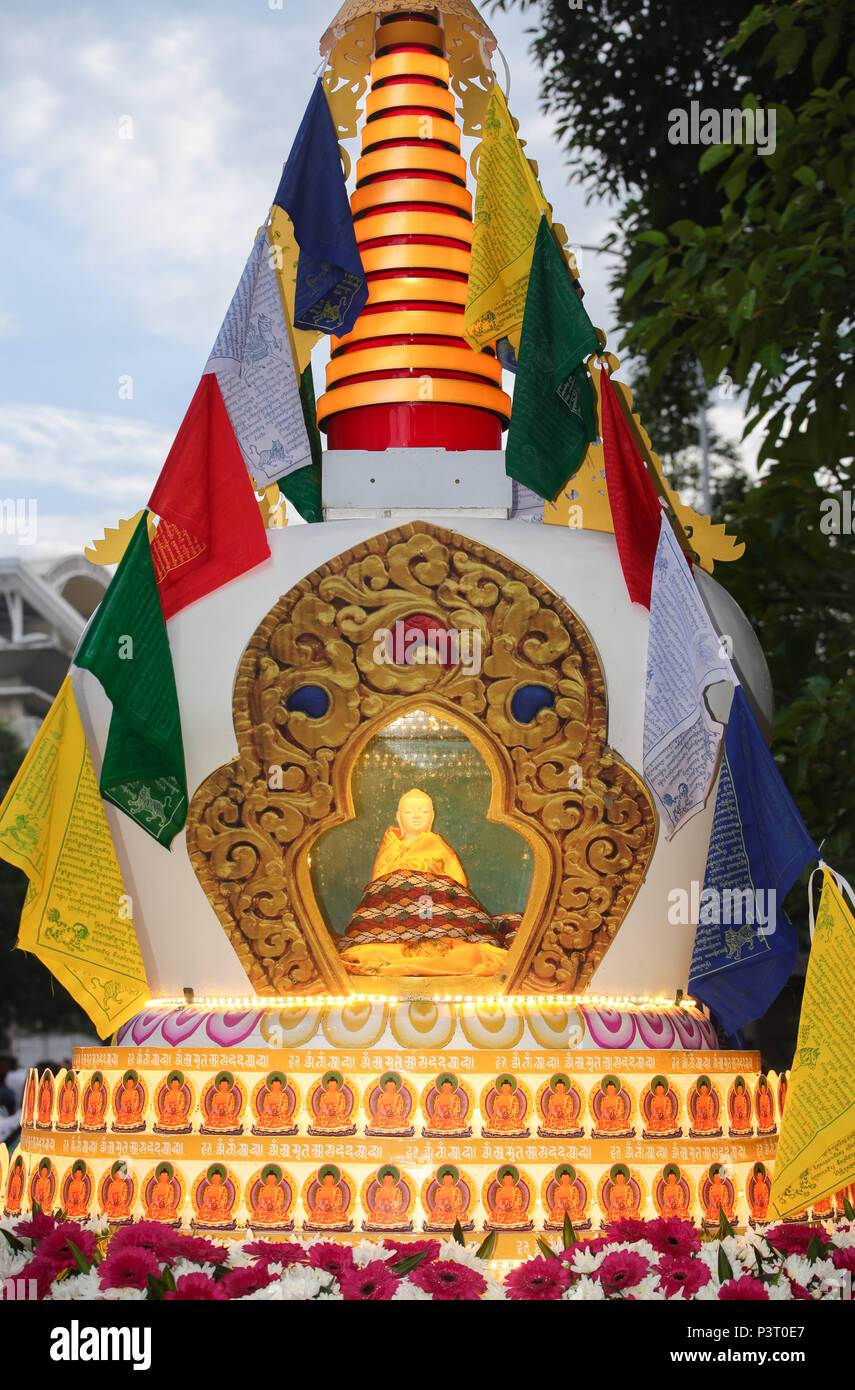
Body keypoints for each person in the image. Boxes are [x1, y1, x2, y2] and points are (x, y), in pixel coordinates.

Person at [338, 789, 507, 977]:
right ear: (398, 817)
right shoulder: (391, 848)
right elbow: (379, 890)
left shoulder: (439, 847)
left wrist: (427, 891)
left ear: (432, 816)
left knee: (451, 942)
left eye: (424, 811)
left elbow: (457, 889)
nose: (417, 816)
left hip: (431, 912)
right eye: (409, 812)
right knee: (370, 949)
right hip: (393, 920)